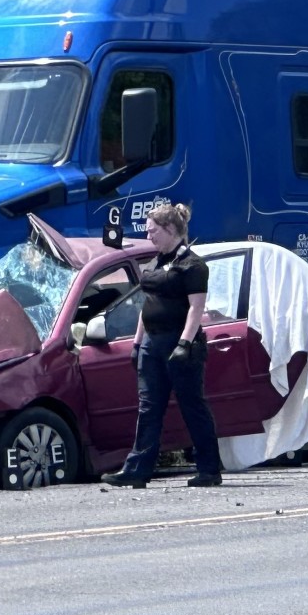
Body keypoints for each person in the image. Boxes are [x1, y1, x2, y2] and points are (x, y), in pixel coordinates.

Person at [102, 202, 225, 489]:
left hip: (179, 342)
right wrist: (136, 342)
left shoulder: (192, 265)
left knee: (192, 406)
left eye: (152, 231)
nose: (148, 237)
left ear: (170, 230)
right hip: (151, 343)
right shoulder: (156, 263)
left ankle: (209, 468)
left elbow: (196, 308)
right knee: (148, 408)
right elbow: (148, 305)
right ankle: (137, 469)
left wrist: (184, 343)